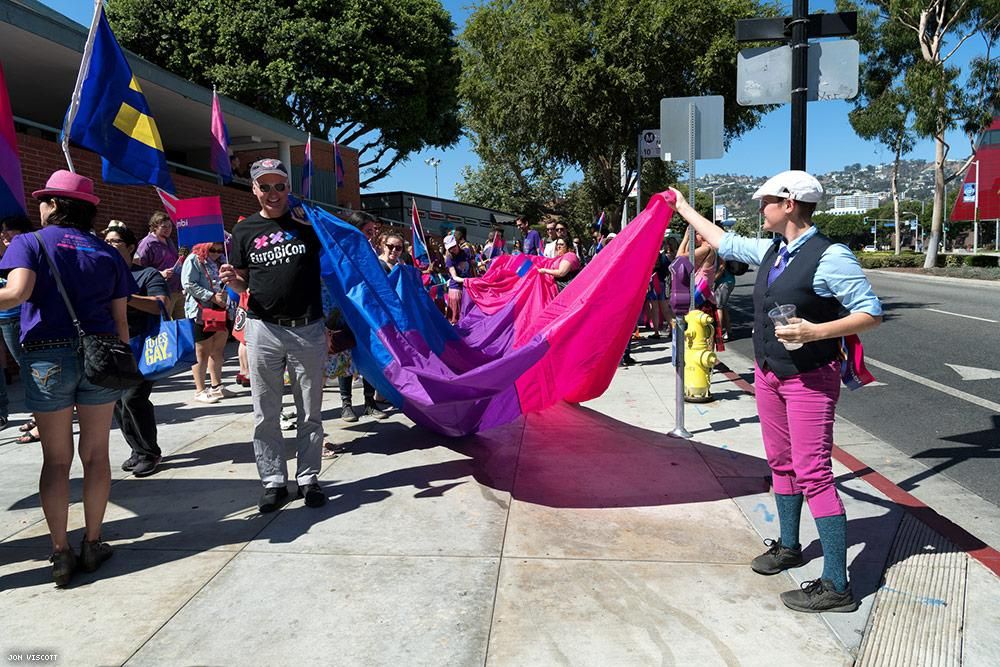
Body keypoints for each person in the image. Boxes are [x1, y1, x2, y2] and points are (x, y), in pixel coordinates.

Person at [668, 171, 882, 614]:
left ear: (788, 204)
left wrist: (816, 330)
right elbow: (723, 241)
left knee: (814, 473)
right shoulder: (773, 250)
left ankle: (837, 585)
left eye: (765, 201)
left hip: (809, 377)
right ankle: (788, 545)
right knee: (781, 463)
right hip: (771, 374)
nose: (759, 208)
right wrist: (682, 208)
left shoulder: (830, 256)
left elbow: (870, 312)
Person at [0, 170, 135, 587]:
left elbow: (17, 293)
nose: (39, 208)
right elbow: (121, 322)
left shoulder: (30, 243)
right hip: (100, 355)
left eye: (43, 200)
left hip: (46, 358)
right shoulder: (107, 251)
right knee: (96, 455)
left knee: (56, 460)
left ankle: (60, 551)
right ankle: (93, 542)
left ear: (55, 205)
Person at [219, 157, 328, 512]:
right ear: (253, 189)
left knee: (309, 411)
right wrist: (231, 281)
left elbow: (339, 259)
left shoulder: (306, 225)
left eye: (279, 185)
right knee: (265, 412)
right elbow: (243, 282)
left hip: (307, 328)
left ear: (288, 189)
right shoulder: (243, 231)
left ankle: (309, 478)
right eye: (264, 186)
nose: (272, 193)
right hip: (263, 328)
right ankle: (273, 481)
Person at [103, 224, 169, 477]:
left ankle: (150, 452)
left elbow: (161, 305)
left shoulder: (146, 274)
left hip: (143, 346)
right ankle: (137, 449)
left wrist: (127, 297)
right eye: (105, 241)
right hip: (111, 346)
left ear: (131, 247)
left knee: (133, 398)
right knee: (118, 403)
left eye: (115, 241)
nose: (109, 245)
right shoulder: (101, 276)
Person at [339, 210, 389, 422]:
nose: (371, 235)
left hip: (367, 309)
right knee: (345, 357)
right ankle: (346, 405)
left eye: (372, 231)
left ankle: (370, 402)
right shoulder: (340, 248)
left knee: (369, 356)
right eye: (368, 231)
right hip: (345, 309)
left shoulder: (369, 249)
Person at [182, 242, 229, 404]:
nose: (216, 253)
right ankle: (200, 390)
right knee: (201, 351)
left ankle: (217, 386)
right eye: (212, 250)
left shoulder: (221, 261)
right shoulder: (194, 259)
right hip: (201, 310)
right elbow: (188, 284)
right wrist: (210, 296)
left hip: (218, 309)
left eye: (219, 250)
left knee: (218, 347)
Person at [136, 211, 183, 318]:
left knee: (181, 326)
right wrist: (160, 274)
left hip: (178, 290)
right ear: (154, 227)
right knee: (165, 327)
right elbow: (139, 268)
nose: (168, 229)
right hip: (163, 291)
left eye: (170, 226)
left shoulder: (169, 241)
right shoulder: (147, 243)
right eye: (164, 226)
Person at [444, 233, 472, 324]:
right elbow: (455, 277)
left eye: (454, 246)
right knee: (455, 319)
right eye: (450, 248)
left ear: (456, 243)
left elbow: (473, 264)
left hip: (467, 287)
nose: (453, 249)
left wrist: (482, 263)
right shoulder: (449, 259)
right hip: (456, 289)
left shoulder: (466, 251)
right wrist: (468, 280)